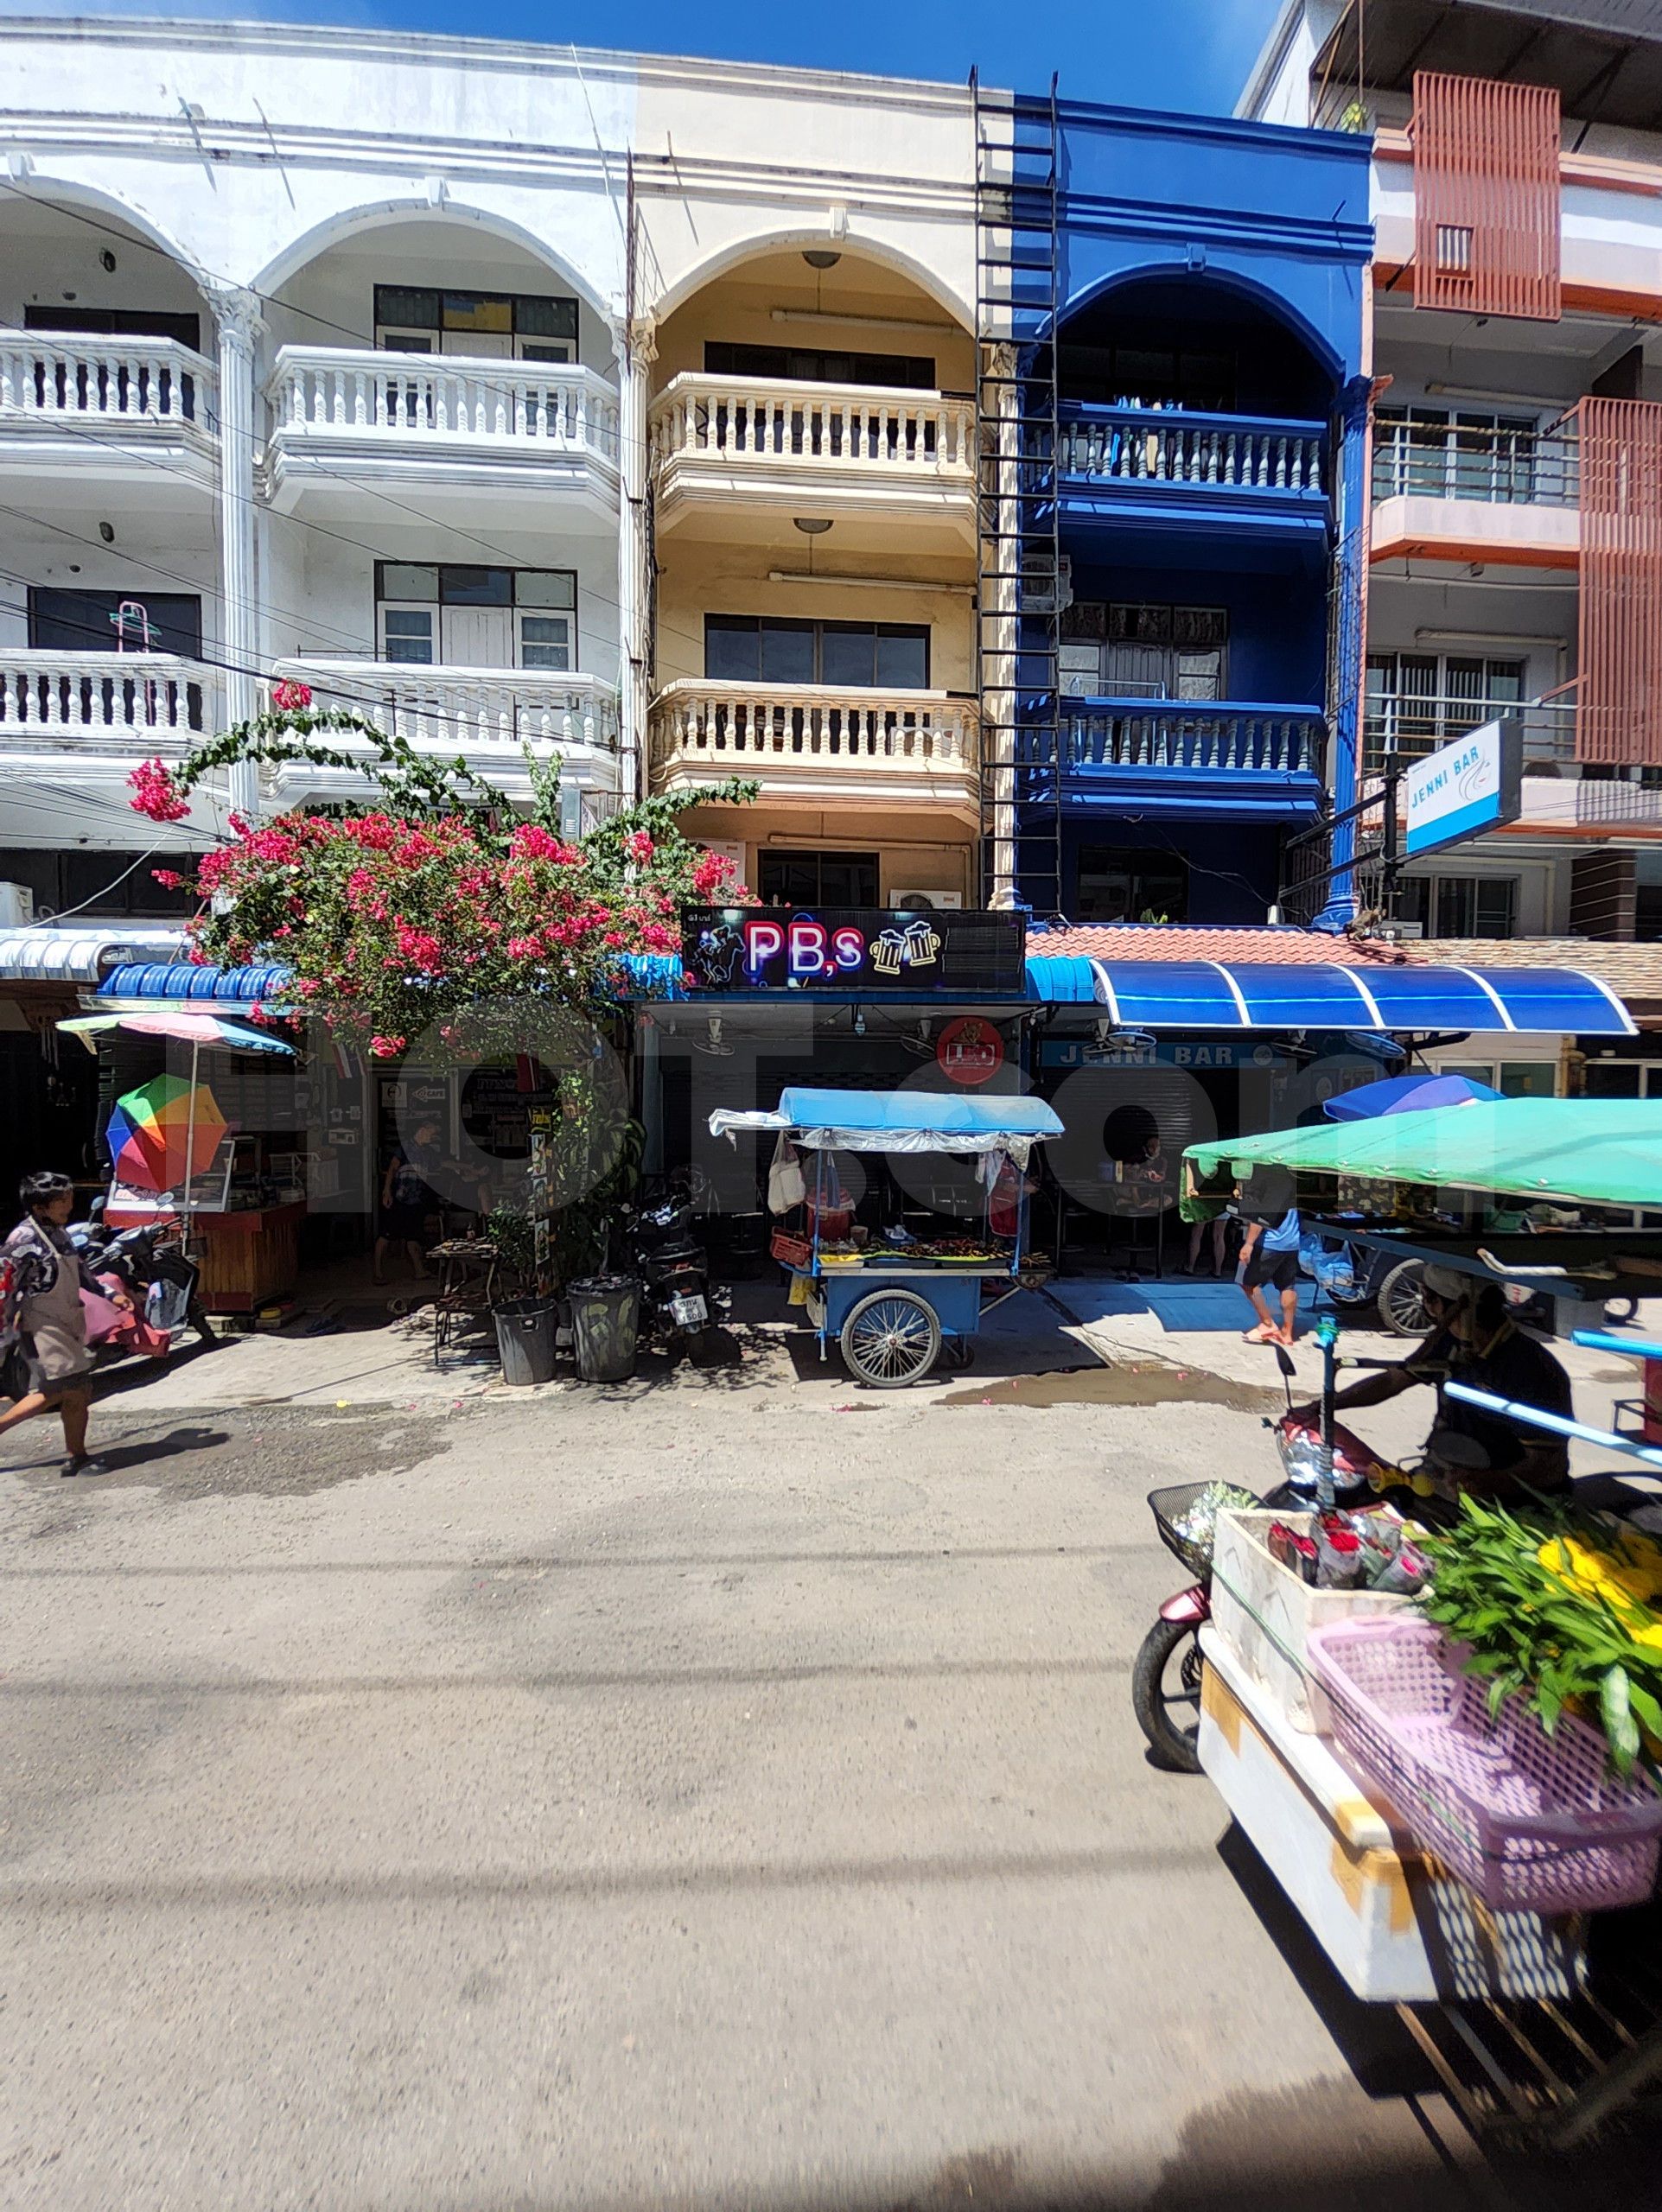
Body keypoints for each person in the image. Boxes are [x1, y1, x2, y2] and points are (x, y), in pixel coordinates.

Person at [1289, 1262, 1574, 1502]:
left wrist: (1489, 1483)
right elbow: (1395, 1380)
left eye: (1427, 1297)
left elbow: (1549, 1466)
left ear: (1450, 1307)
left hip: (1510, 1501)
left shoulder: (1532, 1369)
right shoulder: (1449, 1343)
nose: (1426, 1306)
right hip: (1444, 1476)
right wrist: (1326, 1405)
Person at [0, 1170, 132, 1477]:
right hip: (41, 1322)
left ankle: (78, 1456)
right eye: (62, 1201)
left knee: (77, 1390)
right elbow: (4, 1284)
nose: (68, 1206)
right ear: (40, 1206)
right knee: (65, 1389)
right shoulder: (22, 1239)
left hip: (68, 1318)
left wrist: (111, 1295)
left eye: (68, 1199)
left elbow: (83, 1272)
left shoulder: (61, 1233)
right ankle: (78, 1456)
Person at [1236, 1170, 1301, 1346]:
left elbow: (1261, 1217)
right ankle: (1287, 1333)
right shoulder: (1293, 1185)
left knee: (1247, 1282)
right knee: (1288, 1285)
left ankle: (1267, 1324)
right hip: (1292, 1242)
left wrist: (1249, 1243)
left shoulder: (1272, 1185)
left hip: (1271, 1243)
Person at [374, 1117, 441, 1285]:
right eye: (432, 1132)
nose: (434, 1136)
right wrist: (387, 1190)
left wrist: (465, 1168)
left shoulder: (427, 1152)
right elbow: (392, 1168)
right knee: (386, 1236)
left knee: (413, 1237)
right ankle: (377, 1272)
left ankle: (419, 1271)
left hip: (416, 1200)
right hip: (400, 1199)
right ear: (422, 1129)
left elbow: (441, 1165)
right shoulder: (405, 1148)